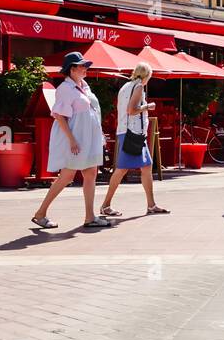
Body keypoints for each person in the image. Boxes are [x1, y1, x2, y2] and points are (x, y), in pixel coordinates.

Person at [31, 52, 108, 230]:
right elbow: (59, 116)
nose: (85, 68)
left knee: (90, 174)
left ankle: (90, 216)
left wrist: (100, 134)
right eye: (81, 66)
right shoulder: (65, 89)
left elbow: (93, 113)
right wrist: (72, 140)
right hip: (76, 139)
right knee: (67, 176)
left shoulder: (84, 86)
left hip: (88, 138)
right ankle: (41, 213)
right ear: (72, 69)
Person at [100, 61, 170, 219]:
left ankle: (151, 204)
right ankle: (106, 205)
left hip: (129, 132)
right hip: (133, 133)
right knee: (122, 169)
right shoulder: (138, 87)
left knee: (146, 166)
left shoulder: (126, 86)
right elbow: (131, 110)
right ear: (147, 76)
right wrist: (148, 106)